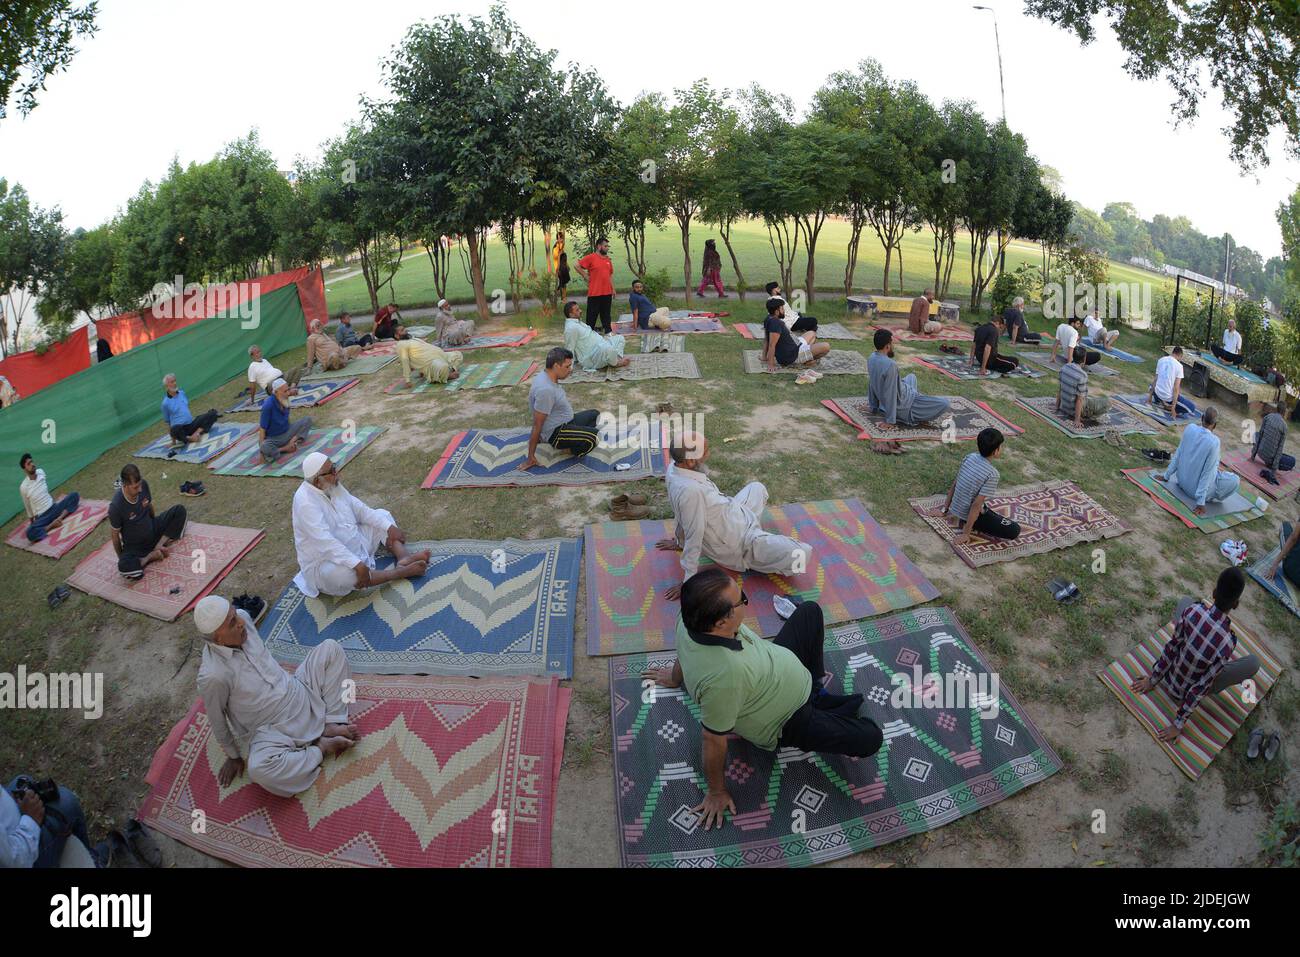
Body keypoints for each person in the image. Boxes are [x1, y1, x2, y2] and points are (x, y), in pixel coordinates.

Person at [641, 567, 883, 829]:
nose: (747, 601)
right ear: (722, 622)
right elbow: (712, 739)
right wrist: (716, 791)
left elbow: (683, 652)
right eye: (742, 598)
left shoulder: (689, 619)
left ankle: (814, 688)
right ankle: (817, 702)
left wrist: (676, 678)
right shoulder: (725, 677)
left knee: (809, 611)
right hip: (786, 718)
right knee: (871, 737)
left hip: (777, 665)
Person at [194, 595, 357, 797]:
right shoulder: (213, 676)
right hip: (273, 729)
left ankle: (331, 722)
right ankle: (321, 747)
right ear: (218, 639)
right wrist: (234, 756)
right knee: (260, 770)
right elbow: (216, 718)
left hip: (298, 691)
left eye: (235, 614)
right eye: (232, 622)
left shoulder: (244, 620)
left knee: (331, 648)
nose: (242, 622)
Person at [657, 432, 812, 599]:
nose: (709, 453)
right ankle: (758, 555)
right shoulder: (691, 492)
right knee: (802, 553)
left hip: (736, 513)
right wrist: (688, 582)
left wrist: (679, 541)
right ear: (690, 461)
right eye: (706, 450)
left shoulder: (674, 468)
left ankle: (766, 546)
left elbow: (680, 513)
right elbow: (694, 533)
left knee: (757, 487)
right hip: (738, 544)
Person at [1129, 568, 1259, 743]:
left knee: (1185, 601)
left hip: (1170, 675)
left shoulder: (1193, 611)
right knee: (1253, 663)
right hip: (1187, 692)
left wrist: (1152, 680)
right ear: (1235, 604)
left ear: (1213, 593)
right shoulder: (1228, 642)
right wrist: (1178, 724)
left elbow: (1172, 648)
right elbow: (1203, 685)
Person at [291, 452, 429, 598]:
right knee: (341, 575)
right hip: (325, 560)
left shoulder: (330, 483)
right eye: (331, 471)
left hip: (352, 541)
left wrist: (389, 527)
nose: (336, 473)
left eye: (334, 467)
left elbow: (359, 509)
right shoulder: (305, 503)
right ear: (317, 481)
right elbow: (326, 543)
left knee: (382, 516)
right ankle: (399, 573)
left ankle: (403, 558)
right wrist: (356, 564)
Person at [931, 427, 1020, 544]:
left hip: (955, 507)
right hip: (967, 514)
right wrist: (966, 533)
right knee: (1014, 529)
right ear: (996, 451)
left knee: (986, 509)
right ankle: (981, 518)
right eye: (1000, 446)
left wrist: (944, 509)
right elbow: (976, 505)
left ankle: (984, 512)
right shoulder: (993, 474)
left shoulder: (970, 457)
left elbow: (955, 484)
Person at [521, 348, 603, 469]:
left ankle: (573, 439)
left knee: (594, 415)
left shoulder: (545, 375)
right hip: (557, 432)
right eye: (567, 366)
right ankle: (570, 450)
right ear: (556, 366)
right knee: (595, 437)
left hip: (566, 421)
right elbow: (537, 424)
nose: (570, 370)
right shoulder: (546, 390)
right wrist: (530, 457)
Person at [867, 329, 951, 448]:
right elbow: (891, 393)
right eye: (892, 343)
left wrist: (873, 406)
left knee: (912, 377)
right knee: (945, 403)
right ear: (887, 346)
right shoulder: (890, 365)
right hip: (905, 405)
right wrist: (890, 420)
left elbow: (872, 382)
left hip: (901, 394)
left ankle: (917, 397)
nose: (893, 346)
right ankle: (912, 413)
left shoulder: (871, 358)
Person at [1156, 407, 1240, 515]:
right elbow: (1207, 473)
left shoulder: (1190, 428)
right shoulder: (1214, 442)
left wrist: (1166, 476)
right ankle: (1209, 493)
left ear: (1201, 418)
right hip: (1195, 492)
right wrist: (1200, 502)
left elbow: (1178, 454)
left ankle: (1214, 477)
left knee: (1214, 469)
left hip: (1181, 482)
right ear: (1215, 425)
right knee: (1235, 480)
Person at [109, 464, 187, 580]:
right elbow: (115, 537)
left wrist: (155, 524)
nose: (140, 489)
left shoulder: (143, 485)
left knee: (180, 511)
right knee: (124, 567)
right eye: (136, 487)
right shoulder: (116, 506)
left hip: (152, 530)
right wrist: (122, 558)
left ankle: (159, 544)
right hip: (135, 546)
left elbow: (149, 506)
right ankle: (149, 557)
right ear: (125, 485)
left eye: (140, 485)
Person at [2, 777, 100, 868]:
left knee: (22, 780)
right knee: (67, 802)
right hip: (24, 857)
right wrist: (30, 820)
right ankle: (95, 861)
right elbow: (15, 861)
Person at [18, 453, 80, 543]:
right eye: (28, 464)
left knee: (74, 495)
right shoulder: (23, 487)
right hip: (42, 516)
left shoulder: (41, 472)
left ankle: (61, 517)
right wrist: (34, 524)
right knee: (29, 533)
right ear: (24, 469)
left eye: (32, 462)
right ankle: (51, 526)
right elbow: (28, 508)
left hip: (54, 508)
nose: (32, 464)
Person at [762, 297, 829, 371]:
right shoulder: (776, 324)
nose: (784, 311)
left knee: (812, 333)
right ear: (777, 311)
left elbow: (766, 339)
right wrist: (770, 364)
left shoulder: (768, 318)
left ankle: (807, 357)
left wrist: (764, 357)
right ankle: (807, 361)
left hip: (794, 346)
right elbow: (772, 345)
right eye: (782, 309)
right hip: (792, 356)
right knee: (826, 346)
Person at [257, 379, 314, 465]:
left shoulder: (283, 397)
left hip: (287, 432)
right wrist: (261, 454)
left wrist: (292, 438)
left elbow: (287, 419)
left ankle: (292, 441)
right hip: (274, 439)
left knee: (307, 420)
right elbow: (262, 429)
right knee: (264, 446)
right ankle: (285, 448)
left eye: (288, 390)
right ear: (276, 392)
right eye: (285, 391)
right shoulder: (268, 405)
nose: (288, 393)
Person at [564, 301, 628, 370]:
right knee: (609, 350)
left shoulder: (577, 322)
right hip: (592, 357)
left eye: (579, 309)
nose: (580, 311)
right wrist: (569, 367)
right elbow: (569, 347)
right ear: (571, 314)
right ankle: (615, 363)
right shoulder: (571, 328)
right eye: (577, 310)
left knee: (620, 338)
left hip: (600, 346)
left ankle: (613, 359)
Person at [1057, 346, 1110, 427]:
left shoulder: (1064, 367)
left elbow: (1060, 389)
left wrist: (1056, 407)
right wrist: (1077, 420)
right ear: (1084, 359)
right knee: (1108, 403)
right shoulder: (1082, 375)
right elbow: (1080, 400)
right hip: (1074, 410)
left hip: (1064, 407)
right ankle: (1086, 416)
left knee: (1090, 399)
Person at [160, 374, 219, 445]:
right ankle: (190, 438)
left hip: (191, 425)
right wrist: (173, 442)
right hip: (181, 429)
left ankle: (196, 433)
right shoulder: (165, 403)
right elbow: (168, 422)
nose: (175, 383)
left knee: (213, 413)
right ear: (166, 386)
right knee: (174, 430)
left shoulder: (182, 393)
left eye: (175, 381)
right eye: (172, 382)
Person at [577, 237, 615, 334]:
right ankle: (588, 335)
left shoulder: (608, 260)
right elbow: (576, 266)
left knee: (606, 315)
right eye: (605, 246)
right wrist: (585, 275)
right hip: (595, 293)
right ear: (599, 246)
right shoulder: (591, 257)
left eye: (608, 246)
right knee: (591, 317)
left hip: (607, 293)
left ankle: (608, 334)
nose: (607, 248)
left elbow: (609, 275)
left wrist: (613, 289)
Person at [1251, 403, 1294, 485]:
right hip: (1270, 460)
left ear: (1276, 409)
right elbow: (1279, 449)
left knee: (1256, 434)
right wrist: (1273, 469)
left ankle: (1265, 456)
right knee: (1292, 461)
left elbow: (1260, 436)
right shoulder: (1284, 427)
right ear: (1284, 412)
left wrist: (1253, 455)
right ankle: (1271, 463)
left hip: (1260, 452)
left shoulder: (1268, 417)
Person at [1150, 346, 1198, 417]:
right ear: (1180, 356)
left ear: (1172, 353)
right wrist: (1173, 408)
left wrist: (1149, 397)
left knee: (1150, 387)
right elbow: (1176, 388)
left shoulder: (1161, 360)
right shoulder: (1179, 366)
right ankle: (1168, 405)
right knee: (1192, 407)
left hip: (1157, 392)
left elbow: (1155, 379)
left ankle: (1161, 401)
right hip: (1167, 397)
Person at [395, 337, 463, 386]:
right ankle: (447, 375)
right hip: (433, 362)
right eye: (402, 330)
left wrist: (420, 371)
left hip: (442, 356)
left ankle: (451, 370)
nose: (405, 331)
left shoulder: (414, 338)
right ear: (396, 335)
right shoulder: (401, 344)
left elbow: (420, 352)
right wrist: (408, 380)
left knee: (458, 354)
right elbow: (405, 360)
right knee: (443, 367)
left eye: (404, 329)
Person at [1269, 516, 1300, 589]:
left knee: (1284, 525)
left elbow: (1294, 537)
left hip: (1290, 570)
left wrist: (1274, 564)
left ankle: (1287, 557)